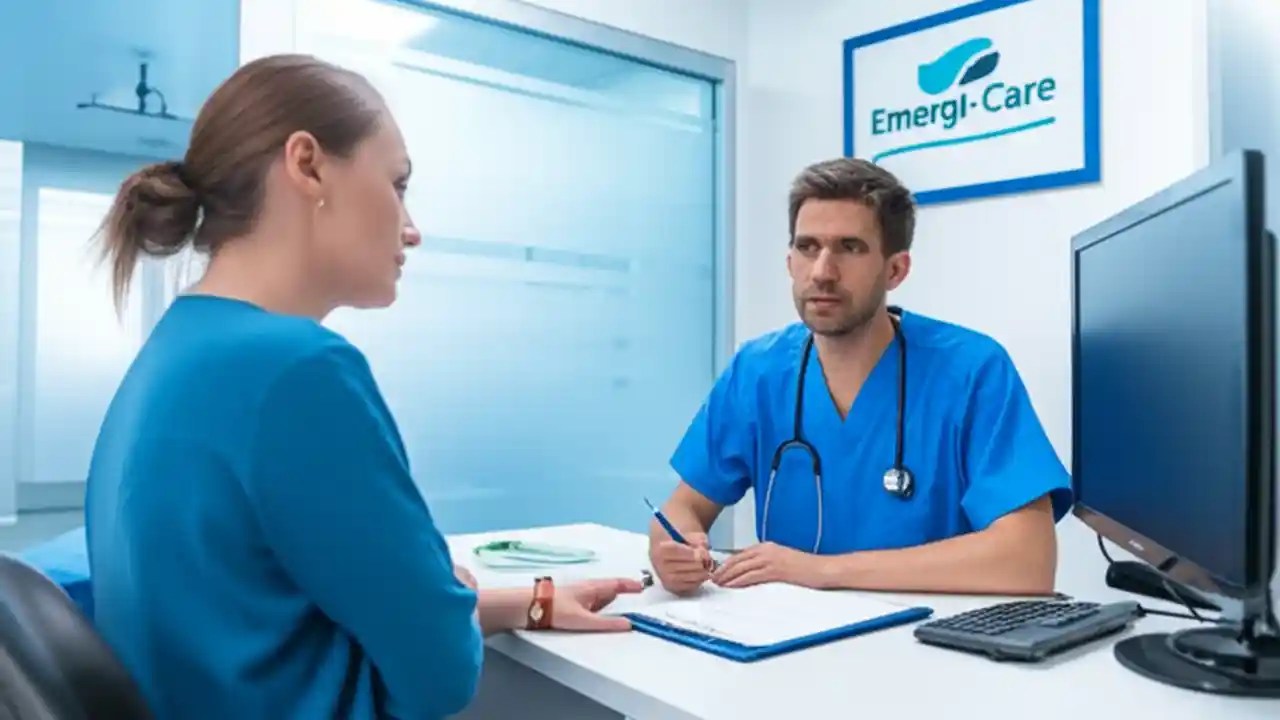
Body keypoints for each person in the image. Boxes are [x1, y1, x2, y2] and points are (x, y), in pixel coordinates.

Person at [84, 54, 641, 720]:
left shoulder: (178, 348)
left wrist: (519, 601)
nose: (412, 228)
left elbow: (261, 611)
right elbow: (441, 675)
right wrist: (442, 593)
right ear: (308, 165)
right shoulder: (295, 369)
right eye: (398, 184)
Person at [648, 157, 1072, 597]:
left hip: (929, 635)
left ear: (895, 270)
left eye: (849, 248)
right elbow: (682, 508)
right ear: (789, 261)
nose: (822, 272)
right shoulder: (757, 371)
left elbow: (1029, 560)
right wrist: (675, 548)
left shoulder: (971, 370)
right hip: (786, 631)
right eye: (808, 247)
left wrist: (821, 570)